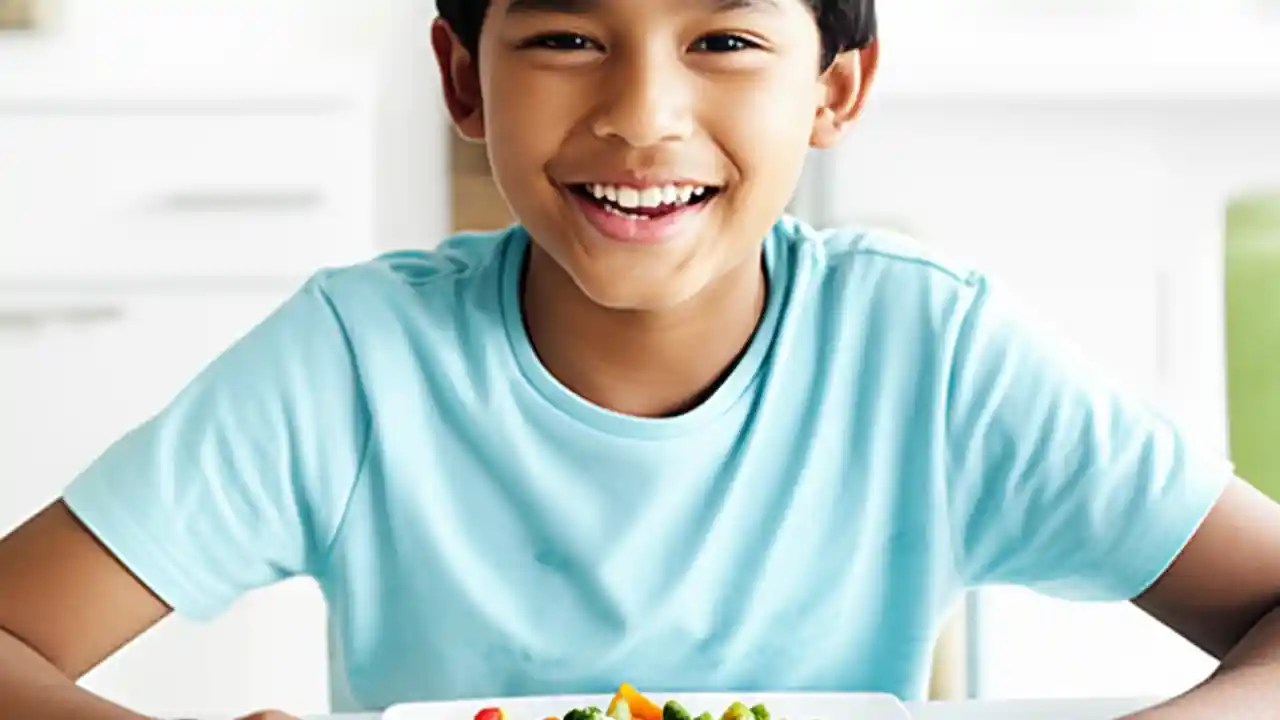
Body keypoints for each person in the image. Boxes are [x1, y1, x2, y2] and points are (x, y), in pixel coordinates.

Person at [2, 1, 1279, 718]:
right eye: (565, 37)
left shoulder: (926, 348)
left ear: (834, 89)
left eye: (721, 42)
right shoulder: (356, 363)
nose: (640, 115)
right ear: (462, 77)